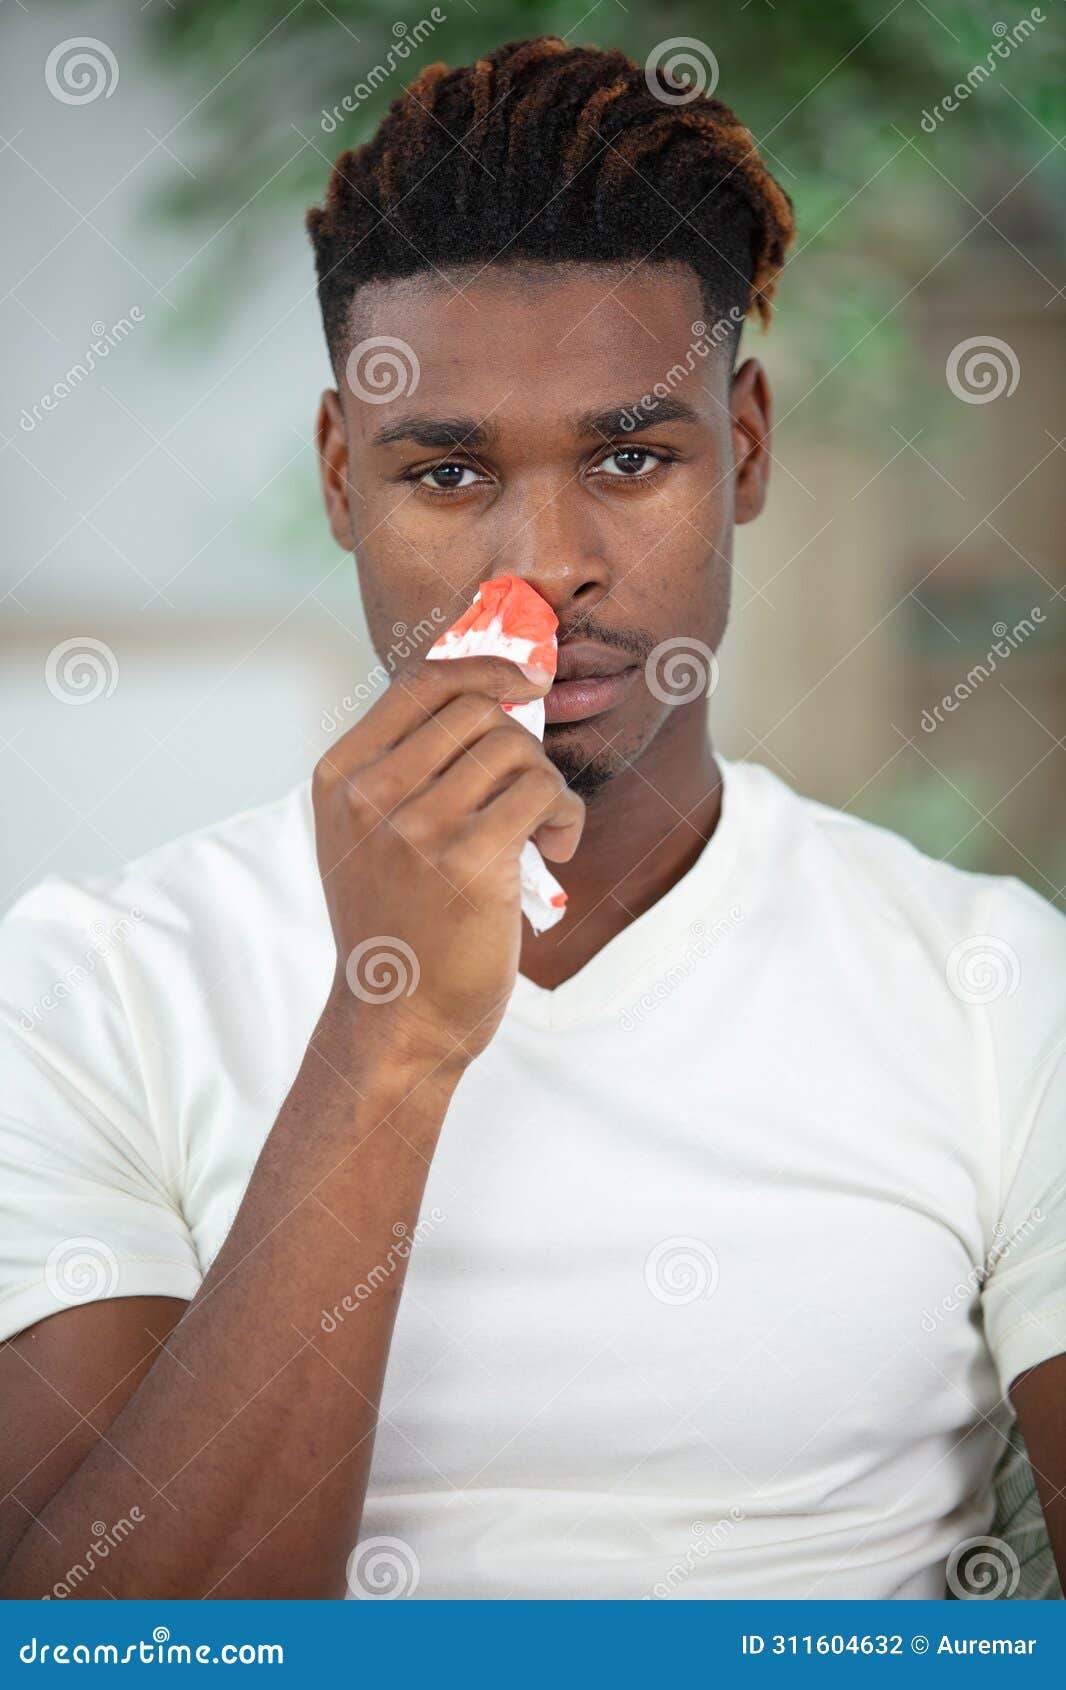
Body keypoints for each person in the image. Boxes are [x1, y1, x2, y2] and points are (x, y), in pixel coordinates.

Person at [1, 36, 1063, 1602]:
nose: (546, 564)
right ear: (341, 479)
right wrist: (388, 1039)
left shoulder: (993, 986)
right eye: (447, 475)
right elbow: (100, 1651)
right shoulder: (90, 983)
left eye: (631, 457)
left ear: (744, 448)